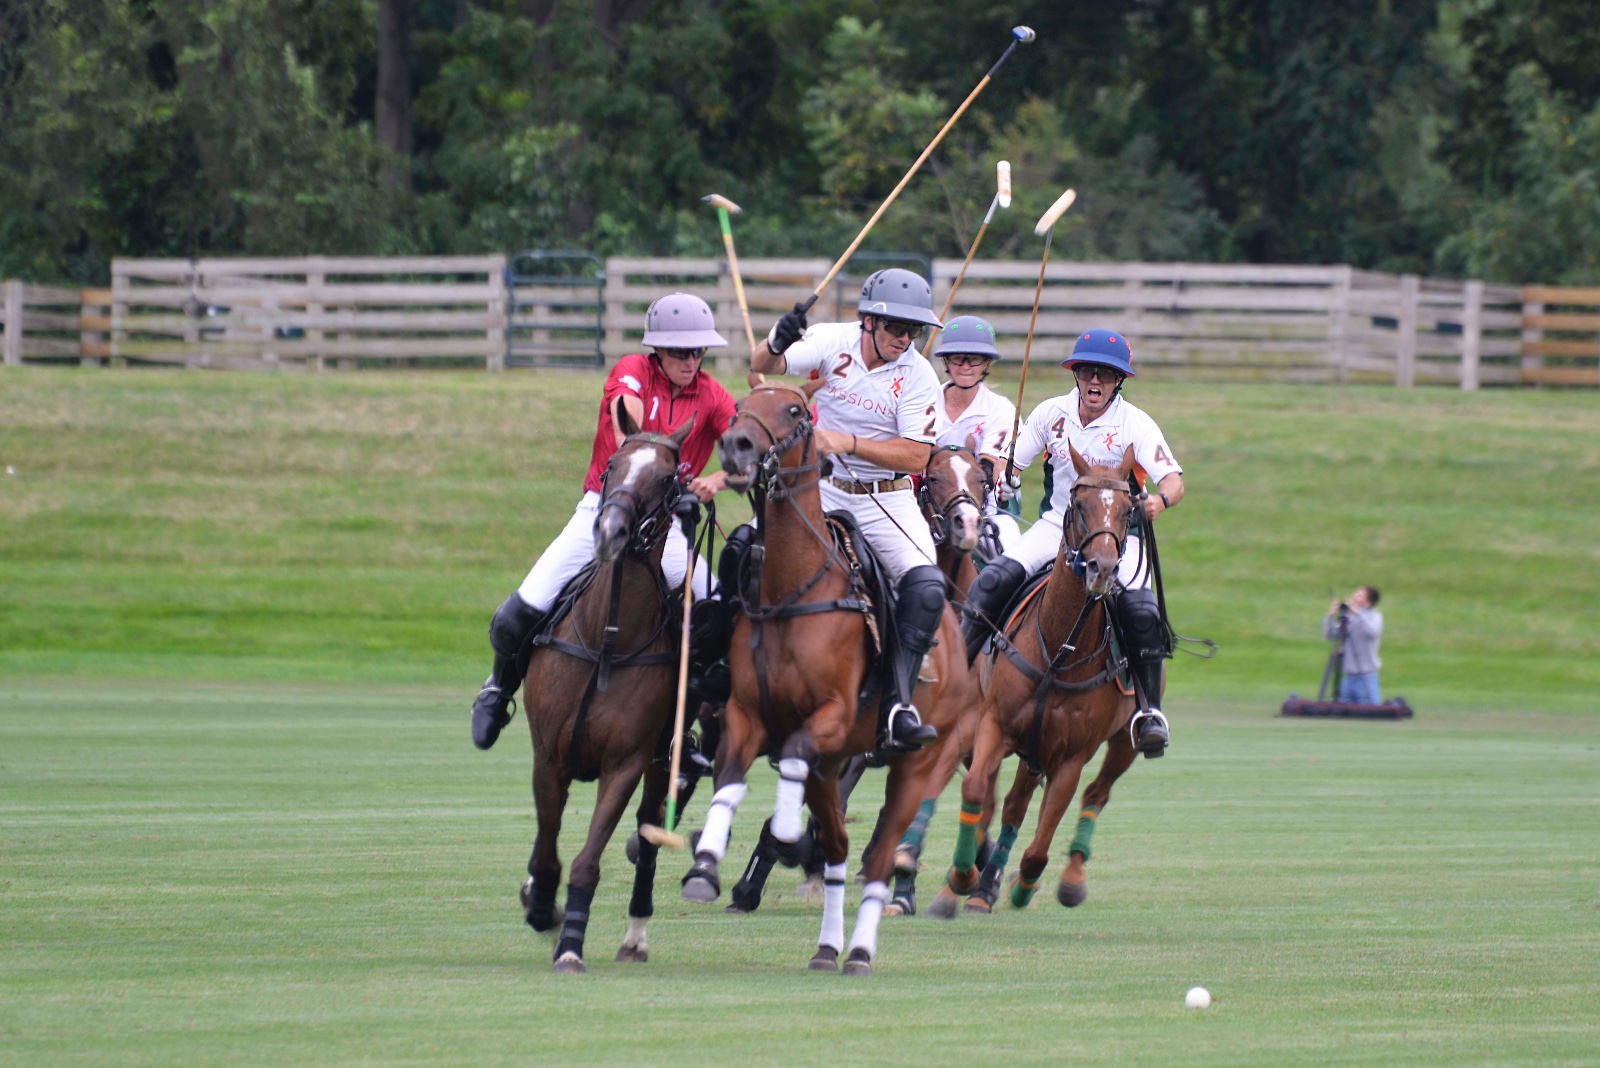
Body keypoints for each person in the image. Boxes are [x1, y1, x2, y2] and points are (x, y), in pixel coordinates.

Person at [469, 293, 738, 751]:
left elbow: (748, 449)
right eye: (680, 351)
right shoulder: (632, 370)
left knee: (717, 612)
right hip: (604, 507)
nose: (690, 361)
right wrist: (647, 449)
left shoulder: (712, 395)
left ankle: (683, 725)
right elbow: (626, 417)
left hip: (663, 526)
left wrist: (719, 478)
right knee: (523, 608)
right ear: (658, 350)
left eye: (698, 351)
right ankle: (498, 687)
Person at [959, 329, 1185, 757]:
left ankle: (1150, 712)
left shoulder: (1135, 423)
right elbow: (1011, 464)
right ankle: (957, 681)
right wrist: (1006, 476)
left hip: (1118, 535)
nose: (1095, 380)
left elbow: (1173, 480)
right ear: (1076, 374)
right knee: (993, 580)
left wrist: (1160, 500)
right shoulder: (1052, 413)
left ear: (1119, 381)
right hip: (1057, 526)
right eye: (1087, 371)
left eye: (1106, 373)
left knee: (1142, 611)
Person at [751, 268, 946, 751]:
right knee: (745, 549)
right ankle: (721, 670)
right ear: (869, 321)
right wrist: (776, 341)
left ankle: (897, 706)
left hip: (886, 498)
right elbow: (763, 366)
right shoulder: (830, 341)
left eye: (914, 329)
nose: (905, 338)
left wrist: (848, 441)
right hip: (820, 490)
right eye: (896, 326)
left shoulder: (918, 374)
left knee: (926, 586)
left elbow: (917, 456)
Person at [930, 315, 1020, 558]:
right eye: (957, 357)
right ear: (946, 360)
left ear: (987, 362)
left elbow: (990, 469)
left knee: (1011, 556)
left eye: (975, 358)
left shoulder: (1000, 410)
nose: (965, 366)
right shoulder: (925, 402)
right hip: (931, 506)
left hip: (987, 509)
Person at [1324, 586, 1383, 704]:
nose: (1354, 596)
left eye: (1360, 595)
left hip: (1366, 676)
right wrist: (1330, 616)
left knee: (1370, 710)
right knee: (1344, 711)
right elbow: (1331, 635)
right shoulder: (1347, 617)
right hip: (1348, 676)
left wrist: (1358, 614)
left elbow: (1373, 632)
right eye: (1356, 593)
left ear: (1368, 603)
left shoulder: (1374, 616)